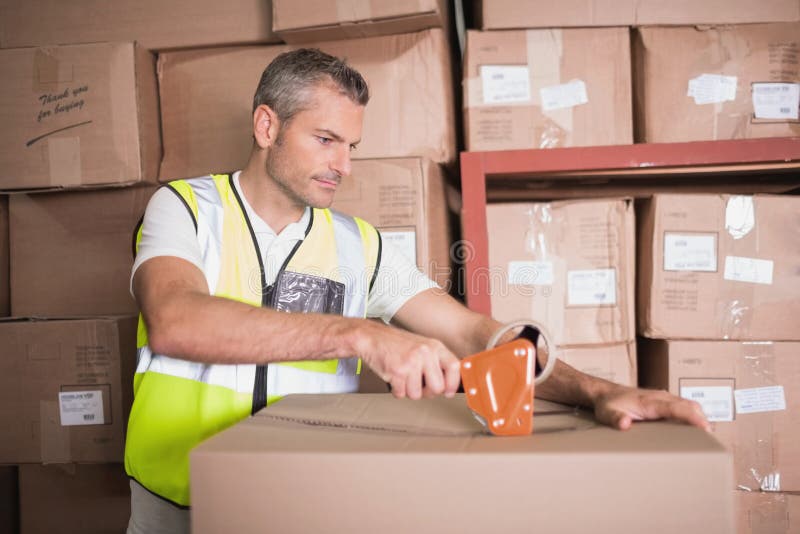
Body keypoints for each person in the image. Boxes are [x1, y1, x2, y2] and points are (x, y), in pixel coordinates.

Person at [124, 48, 709, 534]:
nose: (344, 166)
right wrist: (360, 333)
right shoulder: (186, 209)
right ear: (266, 125)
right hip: (175, 507)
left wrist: (597, 391)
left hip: (297, 507)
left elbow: (475, 335)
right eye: (326, 140)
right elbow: (178, 320)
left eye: (351, 146)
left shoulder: (360, 246)